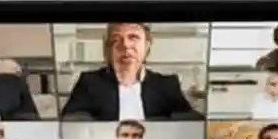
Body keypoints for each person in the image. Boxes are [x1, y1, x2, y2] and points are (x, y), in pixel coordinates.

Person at [60, 23, 202, 121]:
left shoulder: (167, 85)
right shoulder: (89, 83)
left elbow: (190, 124)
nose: (126, 45)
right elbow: (70, 123)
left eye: (133, 37)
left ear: (147, 46)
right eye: (116, 40)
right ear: (108, 50)